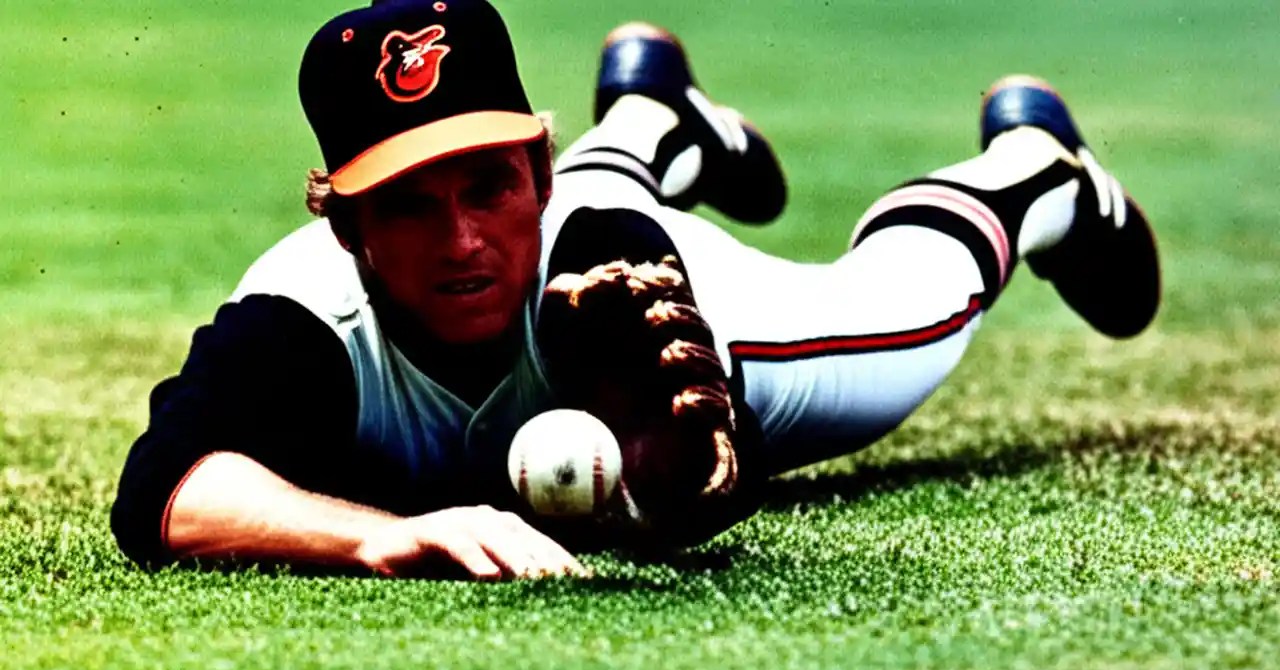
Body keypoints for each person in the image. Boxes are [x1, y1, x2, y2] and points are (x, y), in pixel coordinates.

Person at [111, 0, 1159, 581]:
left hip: (703, 298)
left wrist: (681, 471)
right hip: (558, 230)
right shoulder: (303, 321)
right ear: (347, 227)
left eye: (490, 185)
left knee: (902, 321)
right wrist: (375, 536)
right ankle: (657, 117)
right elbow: (164, 490)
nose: (461, 240)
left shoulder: (605, 259)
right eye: (409, 206)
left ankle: (1032, 175)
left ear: (540, 173)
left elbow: (723, 459)